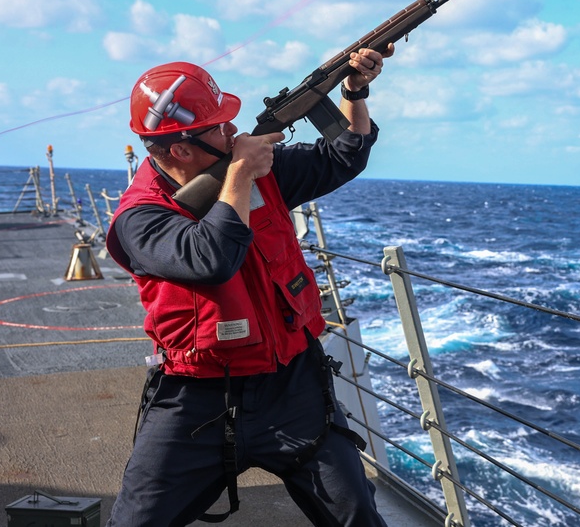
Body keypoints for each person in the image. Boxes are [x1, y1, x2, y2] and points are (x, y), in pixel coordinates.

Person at [105, 46, 393, 527]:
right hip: (198, 396)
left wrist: (353, 92)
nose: (234, 132)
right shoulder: (140, 217)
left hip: (293, 383)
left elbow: (344, 155)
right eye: (220, 127)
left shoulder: (262, 170)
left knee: (357, 511)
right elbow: (211, 257)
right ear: (181, 150)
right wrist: (239, 173)